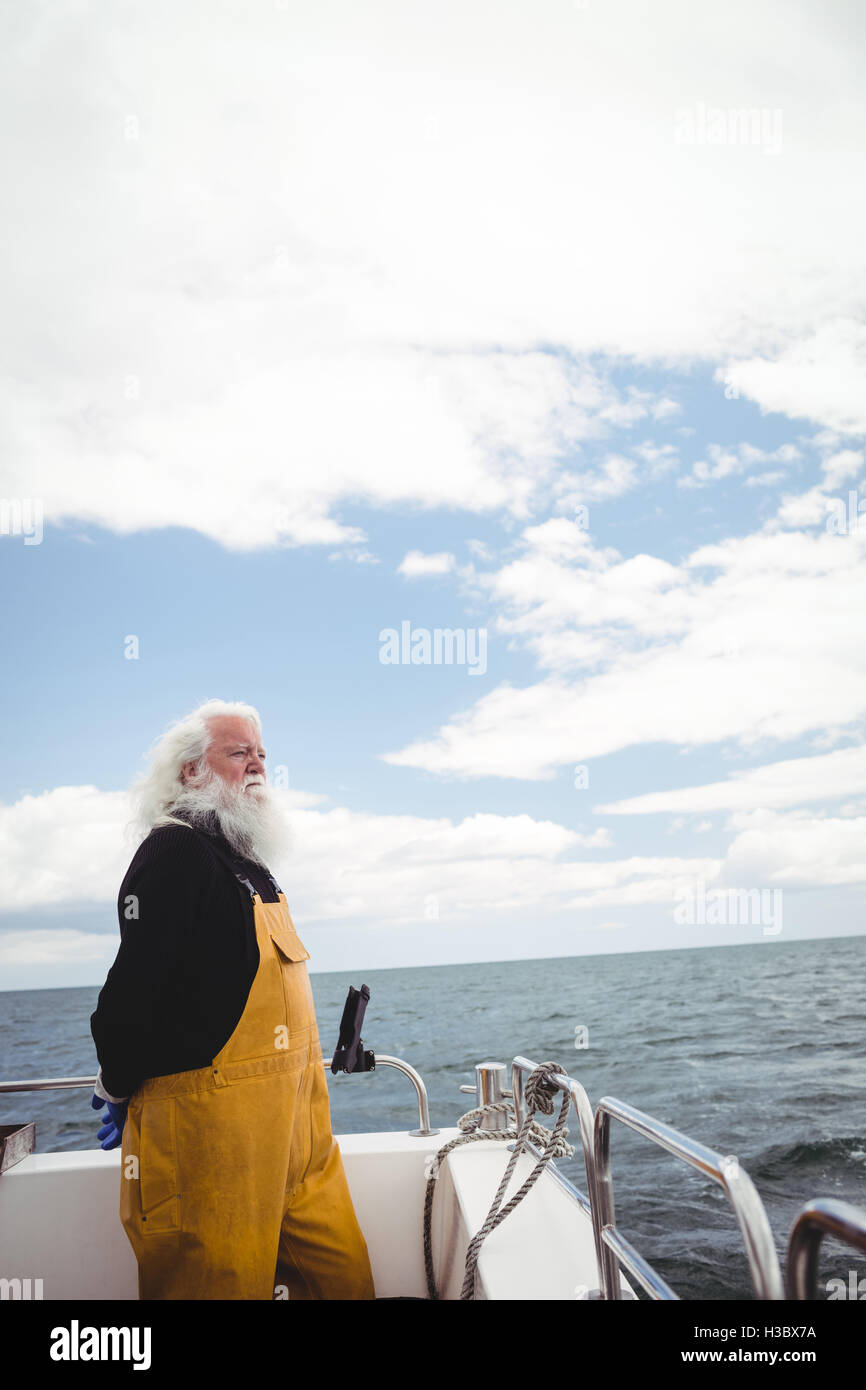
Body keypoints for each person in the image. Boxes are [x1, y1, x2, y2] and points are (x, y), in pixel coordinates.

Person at [90, 699, 375, 1301]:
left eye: (262, 755)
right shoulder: (174, 852)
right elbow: (133, 991)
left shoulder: (248, 865)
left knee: (342, 1278)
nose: (257, 766)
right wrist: (117, 1083)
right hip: (208, 1145)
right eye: (239, 752)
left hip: (298, 1134)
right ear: (192, 771)